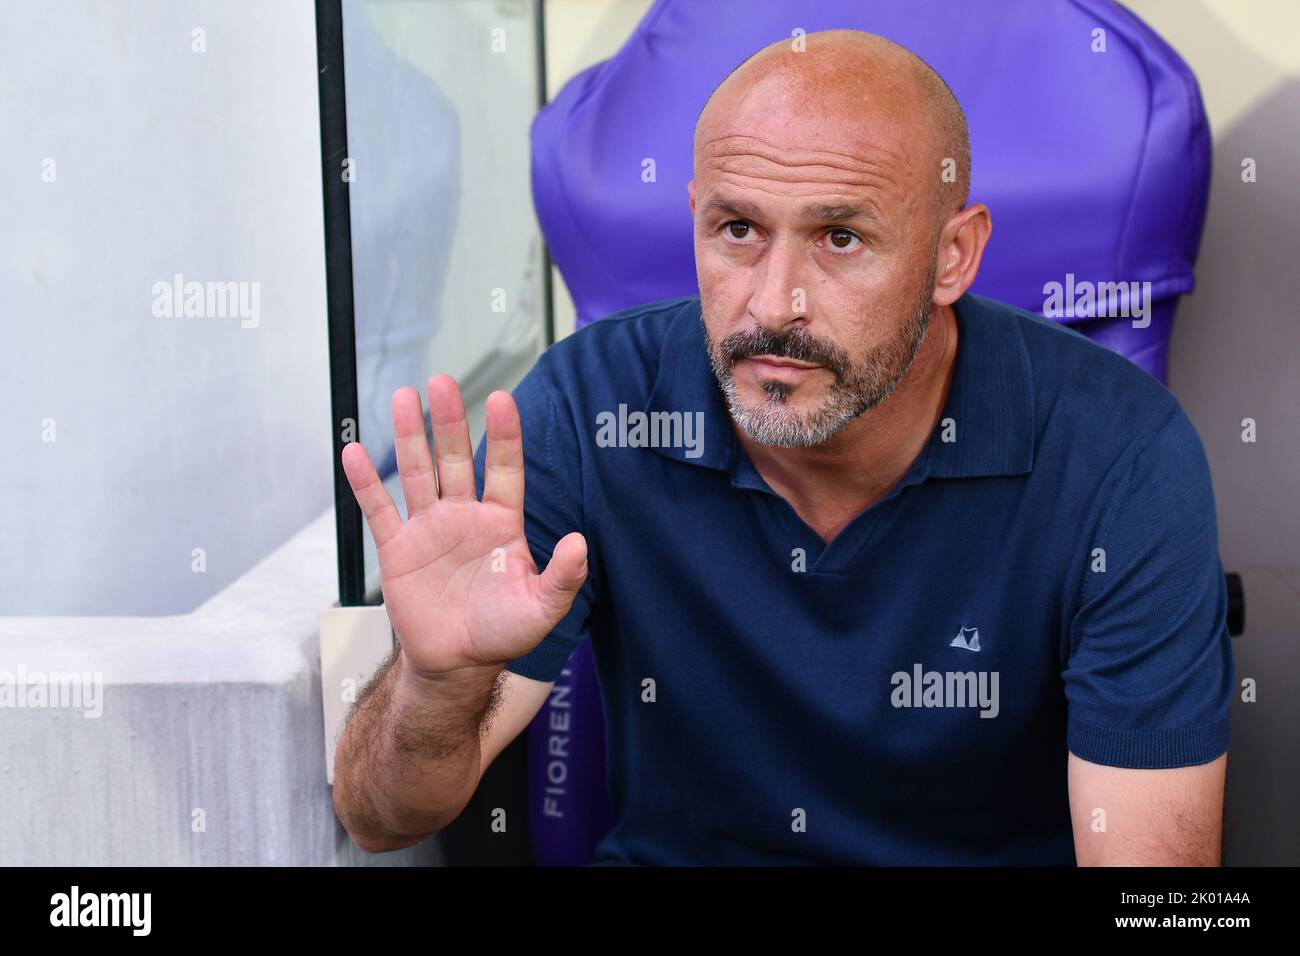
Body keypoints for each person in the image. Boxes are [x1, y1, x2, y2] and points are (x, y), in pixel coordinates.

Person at [331, 29, 1232, 865]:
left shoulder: (1121, 456)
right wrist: (436, 686)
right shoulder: (589, 409)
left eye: (840, 239)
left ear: (953, 256)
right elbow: (380, 819)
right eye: (737, 230)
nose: (773, 305)